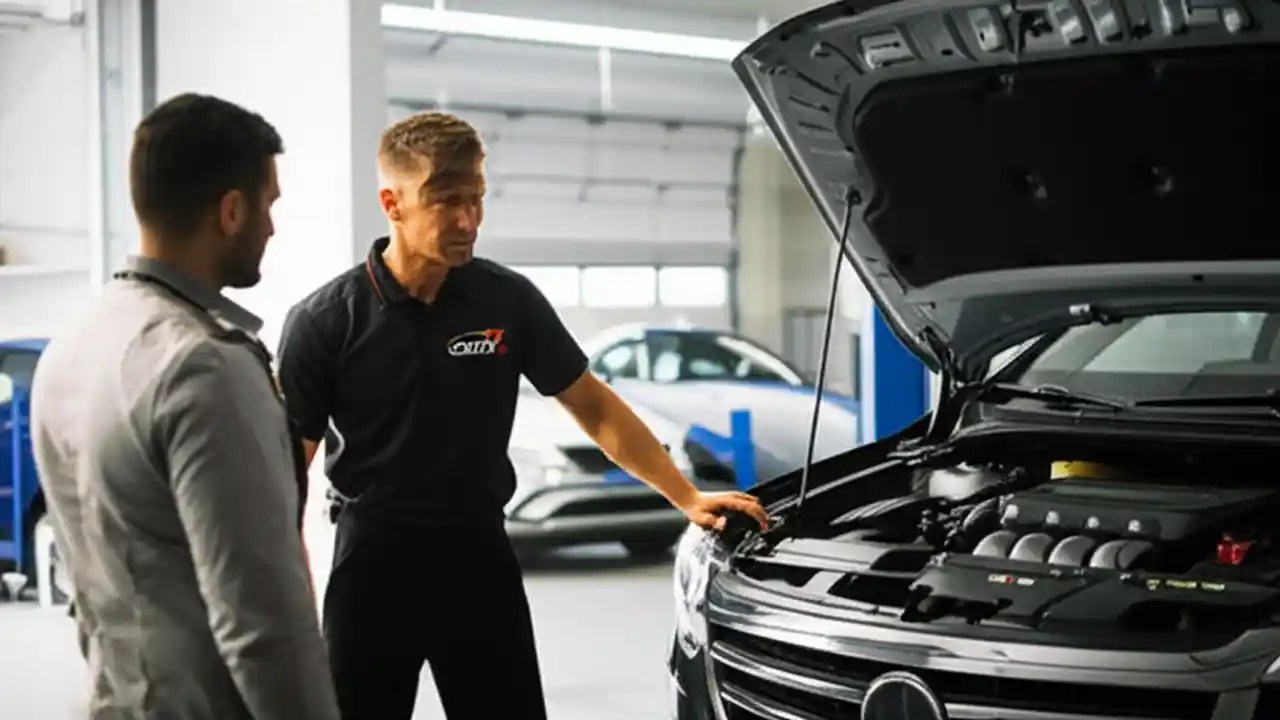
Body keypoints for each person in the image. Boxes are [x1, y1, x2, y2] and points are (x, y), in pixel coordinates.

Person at [275, 110, 770, 719]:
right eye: (445, 201)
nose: (467, 219)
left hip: (478, 562)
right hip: (371, 571)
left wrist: (685, 496)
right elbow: (285, 471)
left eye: (477, 199)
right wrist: (277, 591)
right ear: (392, 202)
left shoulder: (505, 301)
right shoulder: (326, 321)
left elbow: (594, 407)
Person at [28, 93, 340, 720]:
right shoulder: (205, 367)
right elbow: (262, 624)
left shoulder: (70, 349)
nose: (272, 227)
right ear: (230, 210)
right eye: (268, 205)